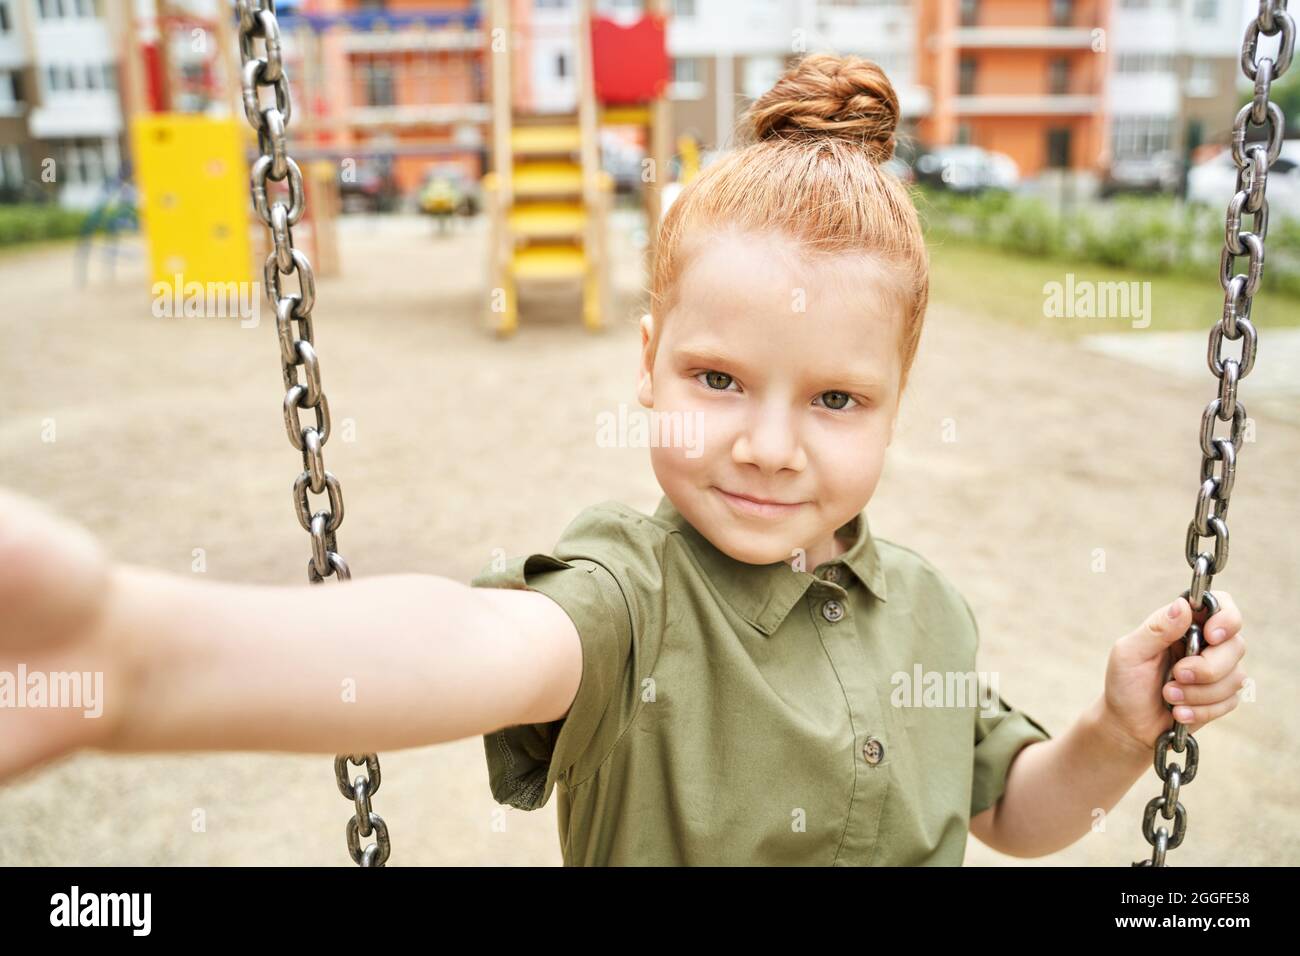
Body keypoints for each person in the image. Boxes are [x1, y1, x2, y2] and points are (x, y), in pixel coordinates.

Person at [0, 54, 1247, 865]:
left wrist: (1111, 730)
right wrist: (126, 657)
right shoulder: (630, 595)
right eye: (716, 379)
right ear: (647, 362)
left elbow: (1016, 813)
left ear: (896, 400)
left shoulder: (925, 613)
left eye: (834, 398)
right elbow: (457, 644)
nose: (766, 443)